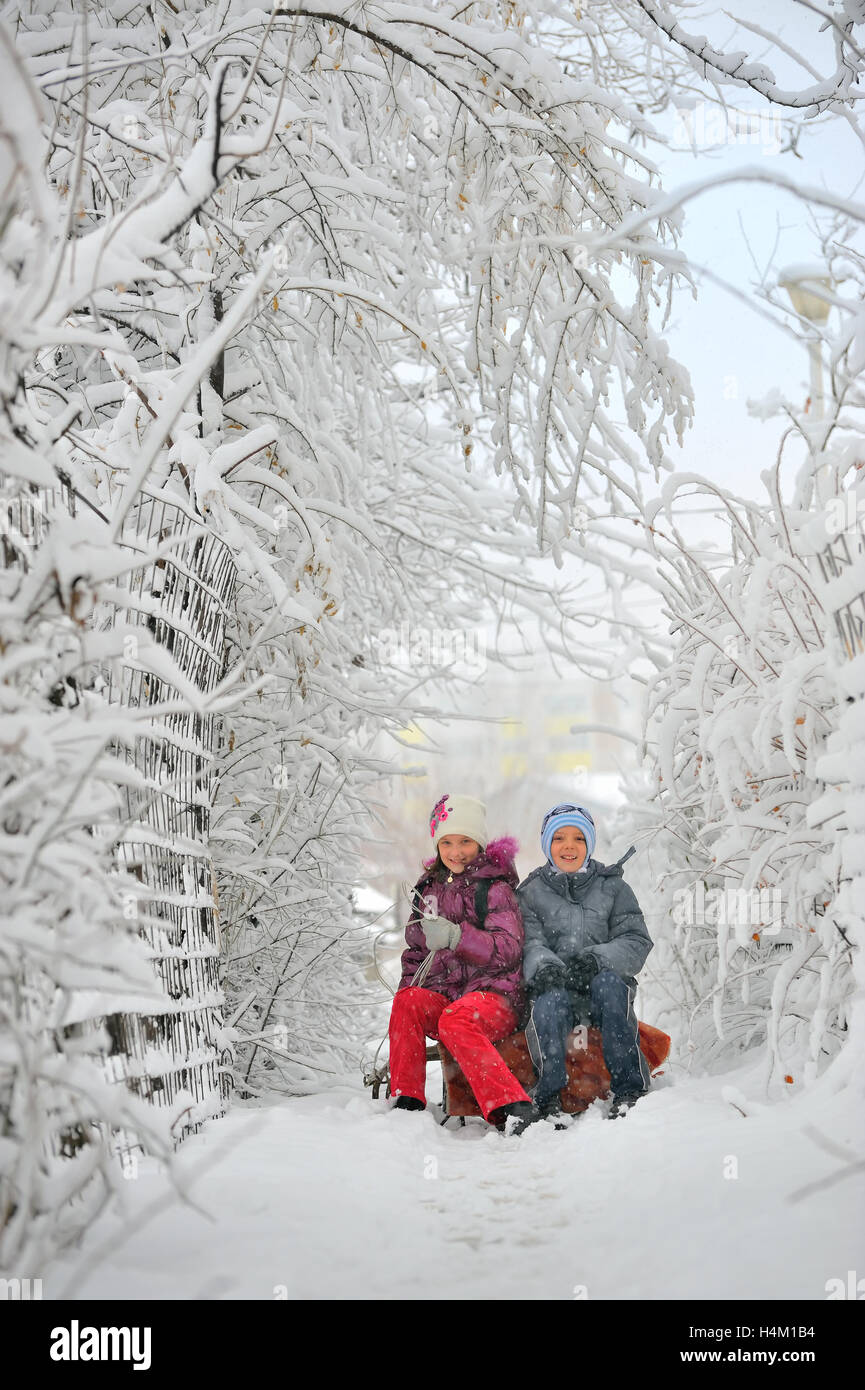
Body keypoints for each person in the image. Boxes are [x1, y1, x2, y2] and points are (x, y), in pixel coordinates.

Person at [388, 793, 535, 1130]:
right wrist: (413, 992)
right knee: (407, 1001)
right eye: (447, 842)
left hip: (495, 997)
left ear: (479, 843)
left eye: (465, 841)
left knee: (457, 1019)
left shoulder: (495, 889)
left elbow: (508, 949)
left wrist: (458, 937)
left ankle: (511, 1106)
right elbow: (415, 955)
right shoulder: (428, 890)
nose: (456, 851)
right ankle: (407, 1100)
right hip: (449, 997)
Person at [514, 802, 653, 1132]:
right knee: (548, 1007)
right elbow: (529, 942)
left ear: (589, 843)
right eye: (559, 838)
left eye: (578, 838)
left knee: (611, 990)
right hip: (557, 984)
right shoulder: (531, 892)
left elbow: (635, 940)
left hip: (601, 983)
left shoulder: (613, 888)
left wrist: (596, 959)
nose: (568, 846)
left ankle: (629, 1088)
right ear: (547, 844)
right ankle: (548, 1096)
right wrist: (546, 967)